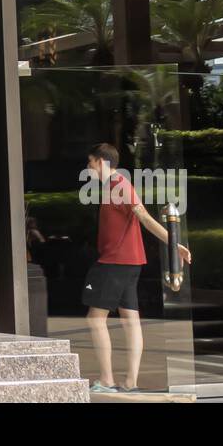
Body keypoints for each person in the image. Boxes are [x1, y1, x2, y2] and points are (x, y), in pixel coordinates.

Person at [82, 143, 191, 393]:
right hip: (128, 263)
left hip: (115, 263)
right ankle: (130, 382)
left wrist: (175, 245)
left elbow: (145, 218)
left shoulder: (120, 185)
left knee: (95, 319)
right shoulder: (112, 186)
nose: (88, 167)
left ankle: (107, 380)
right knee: (130, 321)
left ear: (101, 162)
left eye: (90, 162)